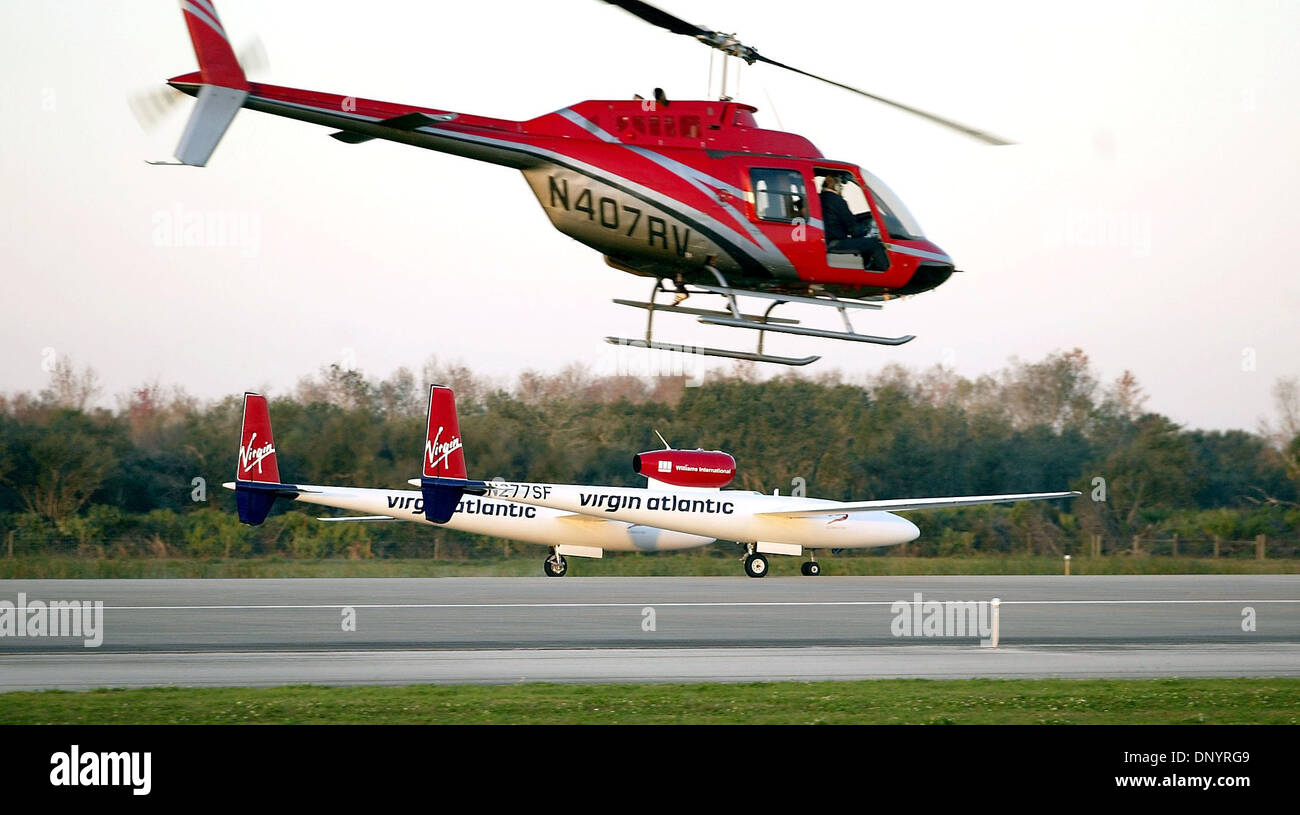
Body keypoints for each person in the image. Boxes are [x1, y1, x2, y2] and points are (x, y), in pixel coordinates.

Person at [819, 175, 890, 271]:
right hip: (835, 242)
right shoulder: (838, 201)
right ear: (836, 186)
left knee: (864, 242)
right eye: (840, 186)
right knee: (874, 244)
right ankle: (885, 273)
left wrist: (864, 216)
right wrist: (867, 231)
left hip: (824, 241)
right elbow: (854, 230)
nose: (841, 188)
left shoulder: (819, 198)